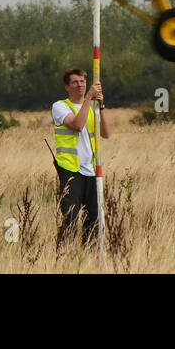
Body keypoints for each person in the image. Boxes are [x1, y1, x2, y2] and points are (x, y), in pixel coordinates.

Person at [52, 68, 111, 248]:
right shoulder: (60, 106)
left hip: (92, 170)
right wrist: (88, 99)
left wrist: (100, 106)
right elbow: (77, 125)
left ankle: (90, 259)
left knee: (93, 219)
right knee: (71, 217)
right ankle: (65, 257)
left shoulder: (92, 107)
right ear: (67, 87)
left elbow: (106, 134)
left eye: (83, 81)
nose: (80, 85)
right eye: (75, 82)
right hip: (71, 170)